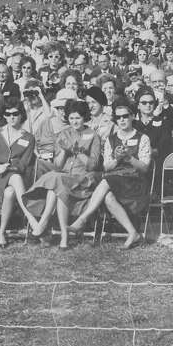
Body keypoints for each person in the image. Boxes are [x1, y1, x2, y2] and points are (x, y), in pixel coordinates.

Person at [67, 98, 148, 248]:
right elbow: (106, 167)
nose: (122, 120)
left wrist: (129, 158)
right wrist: (117, 159)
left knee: (105, 181)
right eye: (118, 117)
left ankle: (83, 219)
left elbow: (144, 168)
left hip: (134, 182)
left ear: (132, 116)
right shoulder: (112, 139)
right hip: (115, 181)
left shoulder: (142, 138)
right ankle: (133, 233)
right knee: (108, 196)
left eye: (125, 116)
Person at [27, 99, 102, 249]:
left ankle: (43, 223)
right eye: (72, 118)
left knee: (57, 181)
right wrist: (64, 151)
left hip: (83, 179)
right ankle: (64, 236)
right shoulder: (63, 134)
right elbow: (58, 165)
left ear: (85, 117)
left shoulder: (93, 135)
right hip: (64, 177)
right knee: (59, 185)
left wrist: (75, 150)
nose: (74, 122)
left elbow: (93, 165)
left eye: (78, 118)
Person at [0, 98, 38, 248]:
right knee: (16, 179)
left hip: (15, 176)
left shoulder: (28, 138)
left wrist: (8, 167)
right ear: (4, 115)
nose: (11, 117)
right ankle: (30, 217)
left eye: (15, 114)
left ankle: (1, 231)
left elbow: (24, 164)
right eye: (7, 114)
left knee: (11, 192)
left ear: (21, 115)